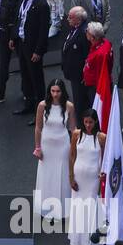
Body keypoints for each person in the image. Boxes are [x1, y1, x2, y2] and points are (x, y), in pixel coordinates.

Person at [34, 79, 75, 222]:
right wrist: (38, 148)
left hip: (63, 146)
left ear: (62, 92)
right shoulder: (42, 105)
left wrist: (76, 148)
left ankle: (63, 210)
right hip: (47, 146)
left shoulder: (69, 106)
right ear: (49, 91)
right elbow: (38, 128)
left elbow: (73, 129)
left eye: (58, 91)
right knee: (47, 176)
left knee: (62, 175)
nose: (55, 94)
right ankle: (46, 209)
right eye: (53, 91)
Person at [68, 108, 105, 245]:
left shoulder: (101, 137)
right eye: (86, 122)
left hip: (93, 179)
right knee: (78, 208)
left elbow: (105, 158)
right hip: (79, 177)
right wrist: (71, 177)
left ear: (95, 121)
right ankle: (77, 242)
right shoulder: (77, 134)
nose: (88, 125)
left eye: (90, 122)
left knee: (91, 209)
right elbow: (72, 155)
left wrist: (103, 174)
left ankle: (90, 243)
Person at [13, 0, 51, 115]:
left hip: (33, 47)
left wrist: (38, 51)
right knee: (25, 75)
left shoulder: (41, 4)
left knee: (36, 78)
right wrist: (13, 37)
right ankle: (28, 104)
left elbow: (43, 30)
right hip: (22, 44)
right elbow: (19, 18)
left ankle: (40, 110)